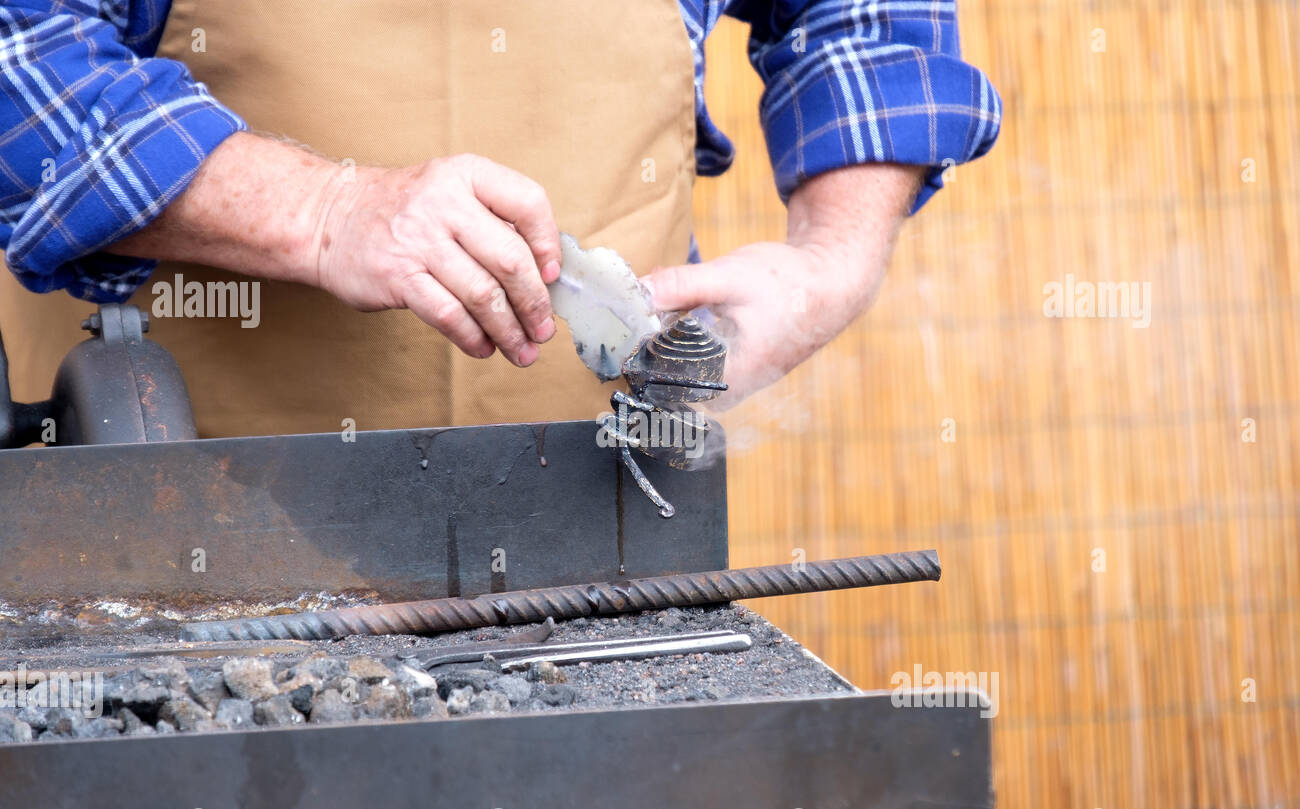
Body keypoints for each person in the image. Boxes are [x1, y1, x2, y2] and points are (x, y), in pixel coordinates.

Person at [0, 1, 1000, 437]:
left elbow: (866, 16)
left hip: (612, 544)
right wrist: (323, 209)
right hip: (171, 540)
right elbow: (19, 48)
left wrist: (828, 262)